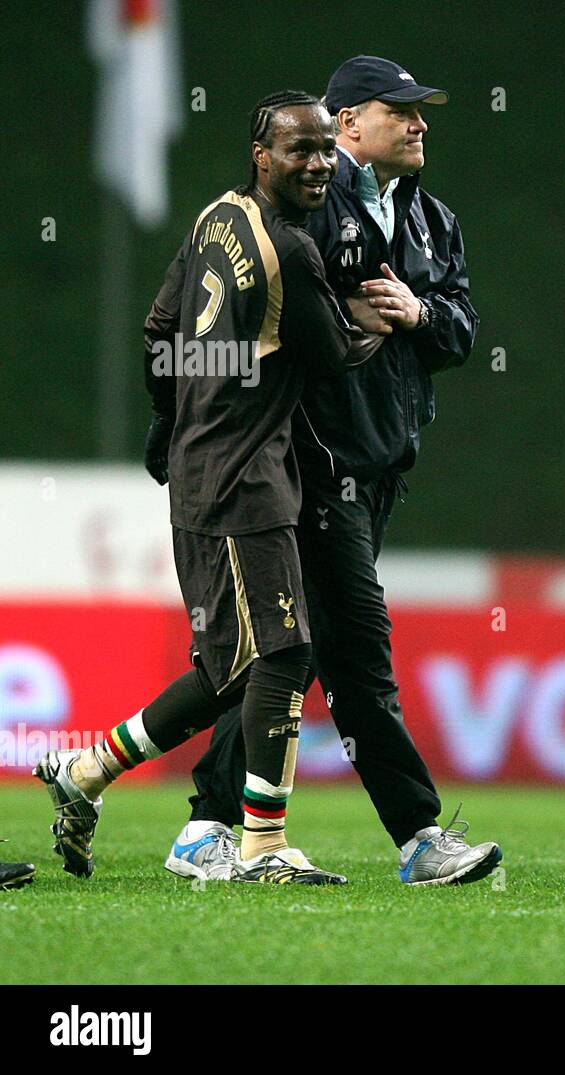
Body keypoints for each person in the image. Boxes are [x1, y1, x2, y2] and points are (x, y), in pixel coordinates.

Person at [169, 57, 499, 888]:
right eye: (403, 111)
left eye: (424, 113)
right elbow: (238, 319)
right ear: (348, 123)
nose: (421, 125)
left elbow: (461, 328)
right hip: (310, 465)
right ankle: (419, 836)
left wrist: (420, 312)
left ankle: (195, 817)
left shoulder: (435, 221)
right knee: (353, 655)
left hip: (382, 463)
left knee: (278, 655)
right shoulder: (308, 207)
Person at [35, 90, 376, 885]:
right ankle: (261, 845)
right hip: (243, 481)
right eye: (302, 149)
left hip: (206, 468)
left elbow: (160, 332)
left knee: (230, 667)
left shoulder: (214, 218)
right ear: (262, 155)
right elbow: (333, 355)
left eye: (327, 147)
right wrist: (386, 320)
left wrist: (170, 421)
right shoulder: (290, 249)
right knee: (287, 652)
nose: (320, 162)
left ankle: (85, 769)